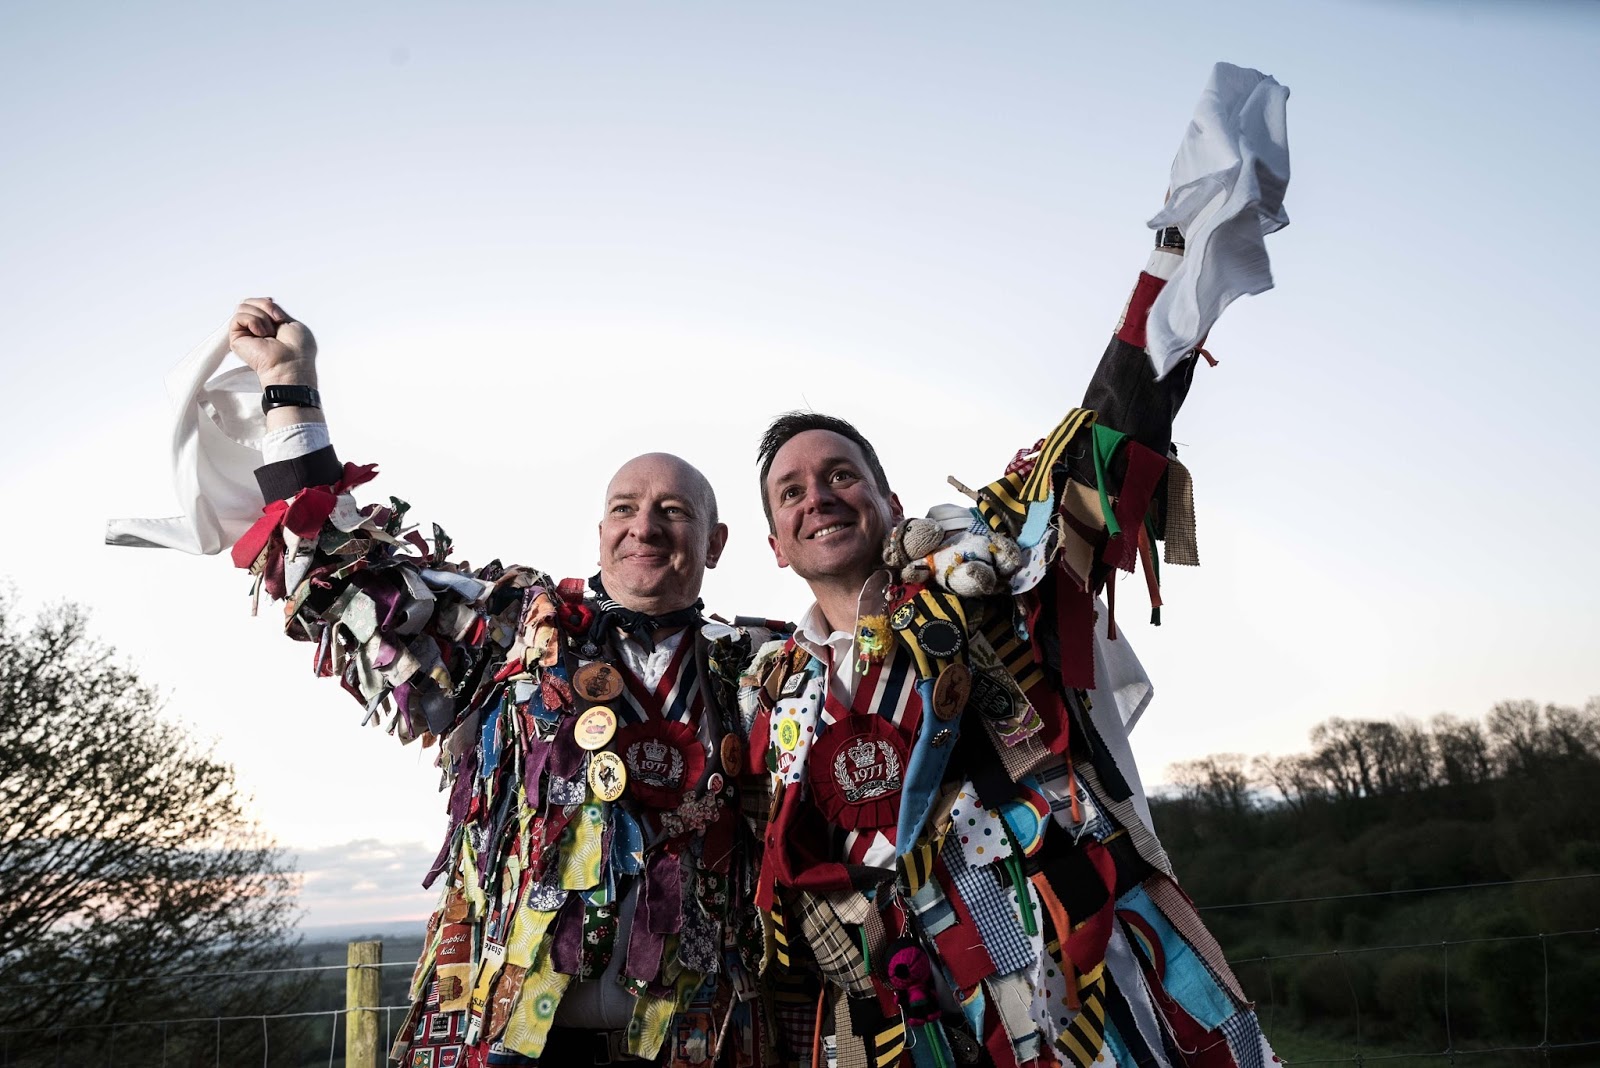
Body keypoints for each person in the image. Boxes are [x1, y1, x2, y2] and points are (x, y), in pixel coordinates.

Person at [743, 232, 1279, 1068]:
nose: (819, 497)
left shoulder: (990, 581)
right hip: (909, 1022)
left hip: (1078, 983)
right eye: (792, 491)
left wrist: (1174, 268)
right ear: (776, 545)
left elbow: (1098, 454)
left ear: (890, 500)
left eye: (841, 475)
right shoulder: (770, 687)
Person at [225, 299, 773, 1067]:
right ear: (600, 533)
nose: (644, 526)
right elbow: (342, 571)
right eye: (624, 508)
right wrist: (290, 387)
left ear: (714, 542)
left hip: (697, 1041)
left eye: (673, 511)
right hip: (516, 1044)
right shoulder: (520, 635)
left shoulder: (760, 668)